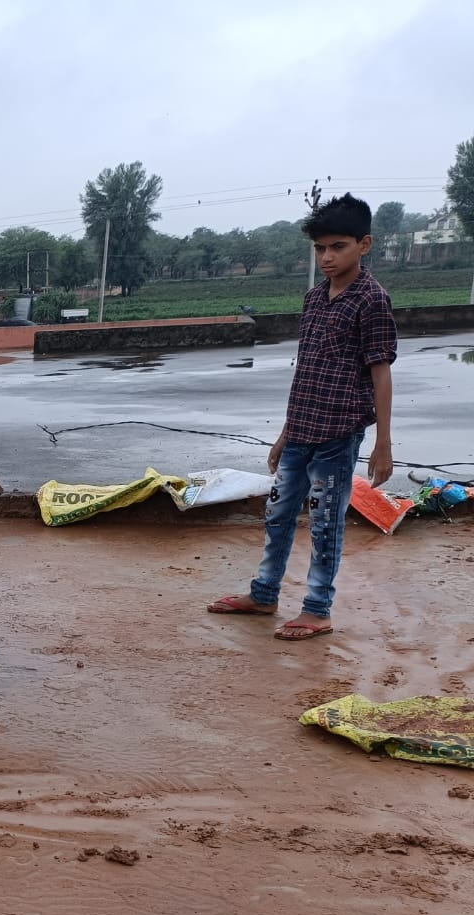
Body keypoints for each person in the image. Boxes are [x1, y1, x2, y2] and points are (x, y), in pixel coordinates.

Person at [208, 194, 396, 640]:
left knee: (325, 522)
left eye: (338, 247)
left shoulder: (371, 300)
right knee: (277, 515)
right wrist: (283, 435)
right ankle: (264, 593)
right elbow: (308, 371)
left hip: (338, 433)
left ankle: (317, 608)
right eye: (320, 249)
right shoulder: (314, 299)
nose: (327, 257)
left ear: (363, 245)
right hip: (300, 431)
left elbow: (381, 372)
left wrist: (383, 443)